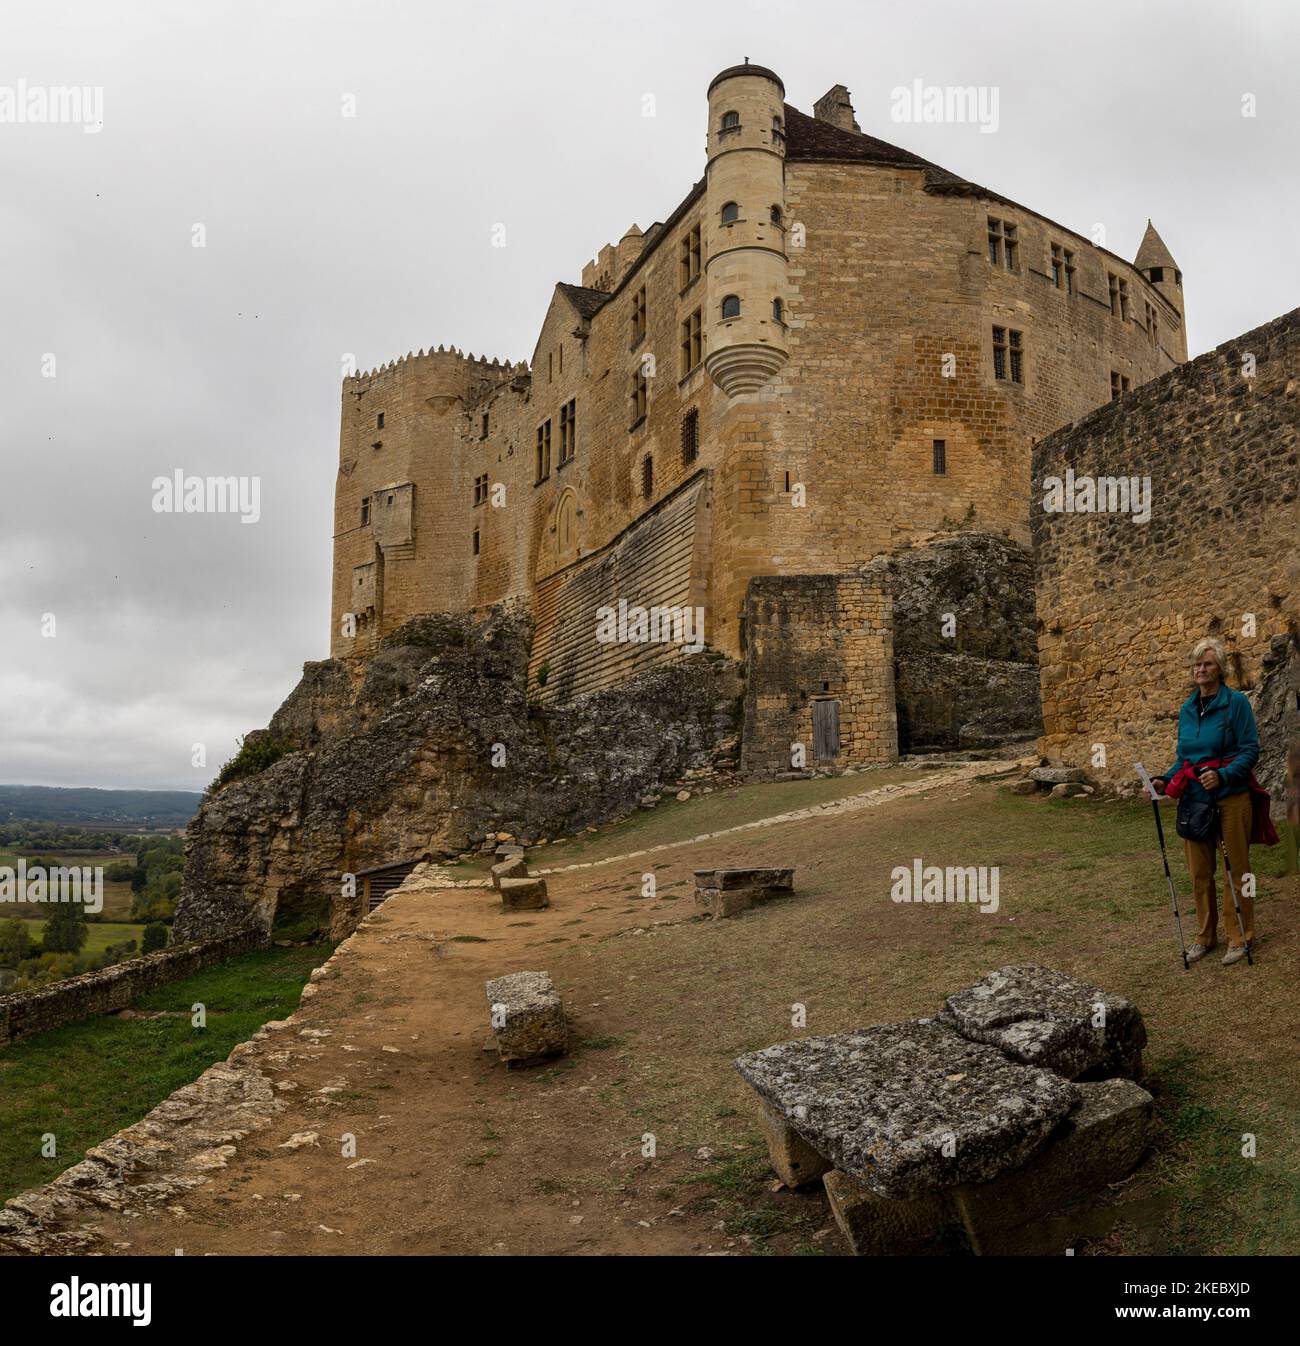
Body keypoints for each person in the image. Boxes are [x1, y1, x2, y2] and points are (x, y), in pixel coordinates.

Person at [1151, 637, 1273, 966]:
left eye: (1207, 663)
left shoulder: (1236, 704)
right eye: (1196, 664)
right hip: (1194, 800)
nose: (1200, 669)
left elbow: (1250, 750)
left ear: (1220, 668)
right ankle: (1206, 936)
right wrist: (1165, 779)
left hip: (1231, 797)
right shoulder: (1188, 709)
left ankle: (1241, 936)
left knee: (1238, 870)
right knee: (1199, 873)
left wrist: (1225, 775)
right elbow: (1184, 758)